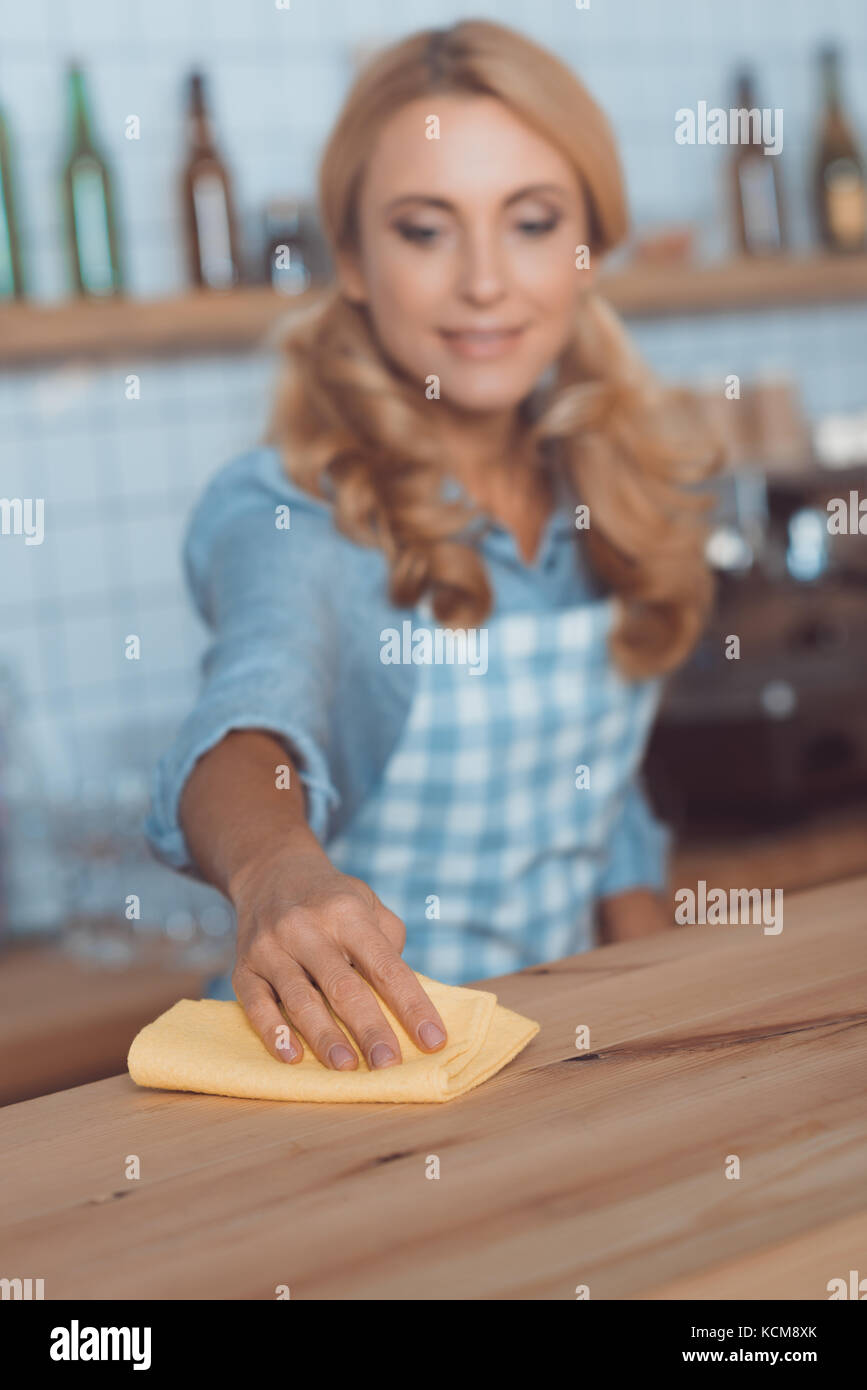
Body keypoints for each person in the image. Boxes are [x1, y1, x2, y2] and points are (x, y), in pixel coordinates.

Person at [145, 20, 719, 1075]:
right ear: (354, 261)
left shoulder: (607, 485)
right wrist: (275, 867)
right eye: (425, 230)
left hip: (543, 1065)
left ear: (587, 247)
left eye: (533, 222)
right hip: (338, 1085)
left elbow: (605, 814)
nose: (486, 282)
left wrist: (672, 1040)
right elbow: (249, 712)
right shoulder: (295, 512)